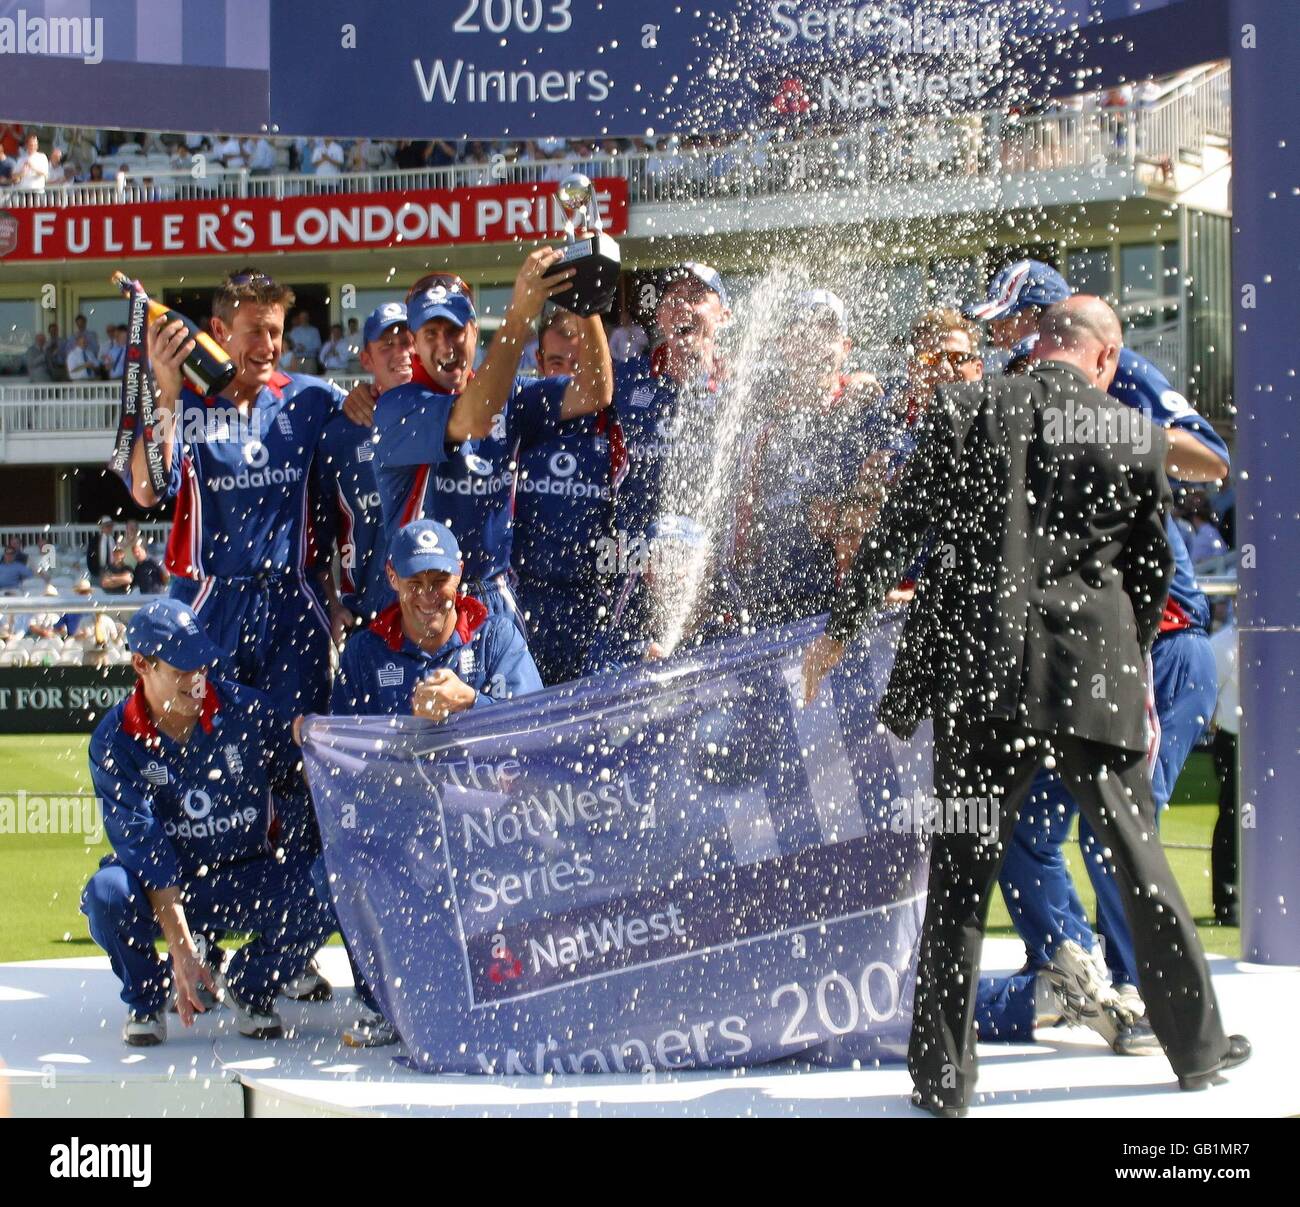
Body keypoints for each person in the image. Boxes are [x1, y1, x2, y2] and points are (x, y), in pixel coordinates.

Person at [803, 296, 1247, 1116]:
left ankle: (941, 1075)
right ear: (1106, 357)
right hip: (1092, 676)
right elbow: (1152, 573)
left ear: (1040, 346)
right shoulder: (1124, 430)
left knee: (963, 876)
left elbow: (899, 529)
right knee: (1137, 858)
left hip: (980, 680)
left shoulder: (966, 407)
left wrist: (839, 630)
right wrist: (1121, 647)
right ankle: (1195, 1045)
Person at [969, 260, 1229, 1032]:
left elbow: (1212, 461)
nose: (1004, 343)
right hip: (1086, 664)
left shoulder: (1119, 380)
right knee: (1022, 826)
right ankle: (1072, 971)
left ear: (1059, 325)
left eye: (1011, 325)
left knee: (1122, 823)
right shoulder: (1020, 407)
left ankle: (1149, 998)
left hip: (1164, 650)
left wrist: (1115, 426)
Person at [80, 599, 334, 1046]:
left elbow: (303, 781)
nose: (197, 680)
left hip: (247, 875)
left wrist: (316, 746)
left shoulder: (247, 710)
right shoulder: (114, 738)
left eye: (202, 664)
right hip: (170, 888)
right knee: (107, 894)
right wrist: (178, 943)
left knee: (330, 886)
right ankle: (146, 998)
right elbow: (143, 844)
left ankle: (251, 986)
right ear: (142, 664)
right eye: (181, 669)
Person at [328, 519, 543, 1045]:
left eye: (439, 580)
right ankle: (385, 1003)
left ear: (459, 576)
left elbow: (534, 728)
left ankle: (518, 991)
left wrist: (472, 703)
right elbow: (341, 760)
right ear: (392, 579)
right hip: (403, 827)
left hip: (487, 825)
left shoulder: (493, 632)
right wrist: (407, 733)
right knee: (335, 867)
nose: (429, 595)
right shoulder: (364, 652)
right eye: (415, 581)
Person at [126, 267, 358, 717]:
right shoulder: (184, 402)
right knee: (210, 755)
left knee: (297, 751)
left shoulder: (311, 399)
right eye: (255, 332)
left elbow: (363, 427)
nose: (268, 346)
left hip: (292, 603)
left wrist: (365, 396)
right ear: (218, 331)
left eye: (275, 332)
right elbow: (146, 490)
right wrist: (168, 390)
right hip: (209, 600)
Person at [367, 255, 612, 632]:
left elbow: (594, 391)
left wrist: (585, 304)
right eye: (430, 334)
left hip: (494, 596)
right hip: (426, 602)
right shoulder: (397, 407)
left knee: (534, 695)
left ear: (474, 330)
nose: (445, 346)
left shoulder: (509, 396)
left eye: (454, 331)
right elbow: (475, 418)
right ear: (413, 343)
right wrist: (518, 317)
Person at [731, 289, 884, 627]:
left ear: (845, 347)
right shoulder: (762, 425)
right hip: (775, 608)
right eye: (805, 331)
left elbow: (893, 498)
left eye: (827, 332)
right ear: (786, 345)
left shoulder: (869, 410)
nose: (816, 342)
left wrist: (846, 515)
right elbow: (742, 532)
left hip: (848, 607)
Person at [512, 309, 625, 683]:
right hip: (524, 599)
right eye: (556, 361)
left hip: (591, 602)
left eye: (577, 364)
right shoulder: (520, 412)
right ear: (539, 360)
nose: (565, 374)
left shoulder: (617, 424)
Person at [315, 303, 413, 631]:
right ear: (367, 359)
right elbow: (316, 536)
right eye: (387, 346)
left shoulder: (448, 415)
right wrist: (331, 602)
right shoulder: (339, 434)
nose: (400, 352)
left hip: (438, 616)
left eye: (407, 341)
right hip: (367, 618)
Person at [1209, 615, 1240, 925]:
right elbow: (1208, 690)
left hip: (1272, 740)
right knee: (1232, 820)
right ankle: (1228, 900)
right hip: (1235, 741)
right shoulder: (1224, 645)